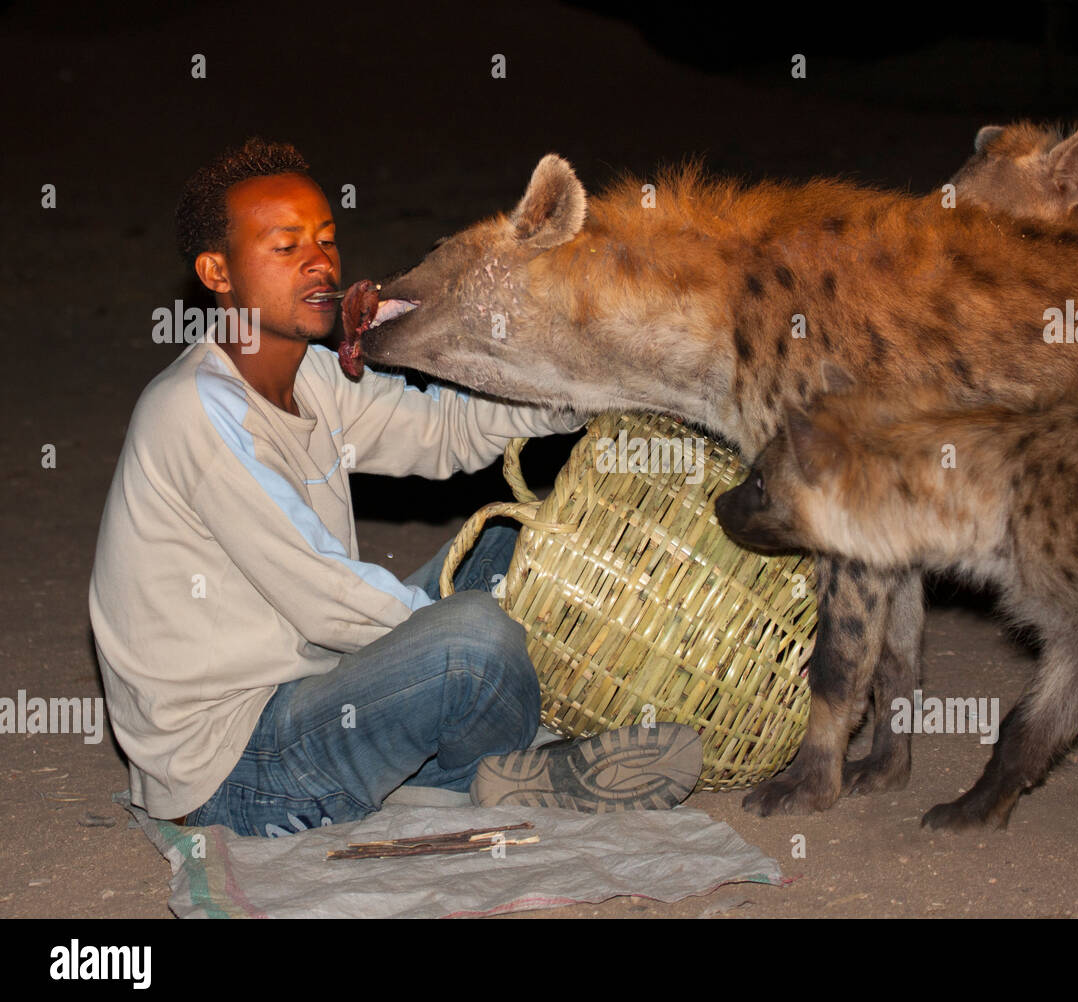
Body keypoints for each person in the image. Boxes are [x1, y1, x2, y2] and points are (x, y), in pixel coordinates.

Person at [89, 138, 700, 838]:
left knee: (517, 537)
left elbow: (446, 431)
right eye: (286, 247)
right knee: (475, 639)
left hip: (310, 688)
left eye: (325, 239)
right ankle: (505, 761)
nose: (320, 262)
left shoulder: (312, 377)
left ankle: (472, 764)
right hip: (235, 767)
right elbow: (325, 596)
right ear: (216, 271)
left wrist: (583, 395)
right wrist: (475, 635)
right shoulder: (195, 410)